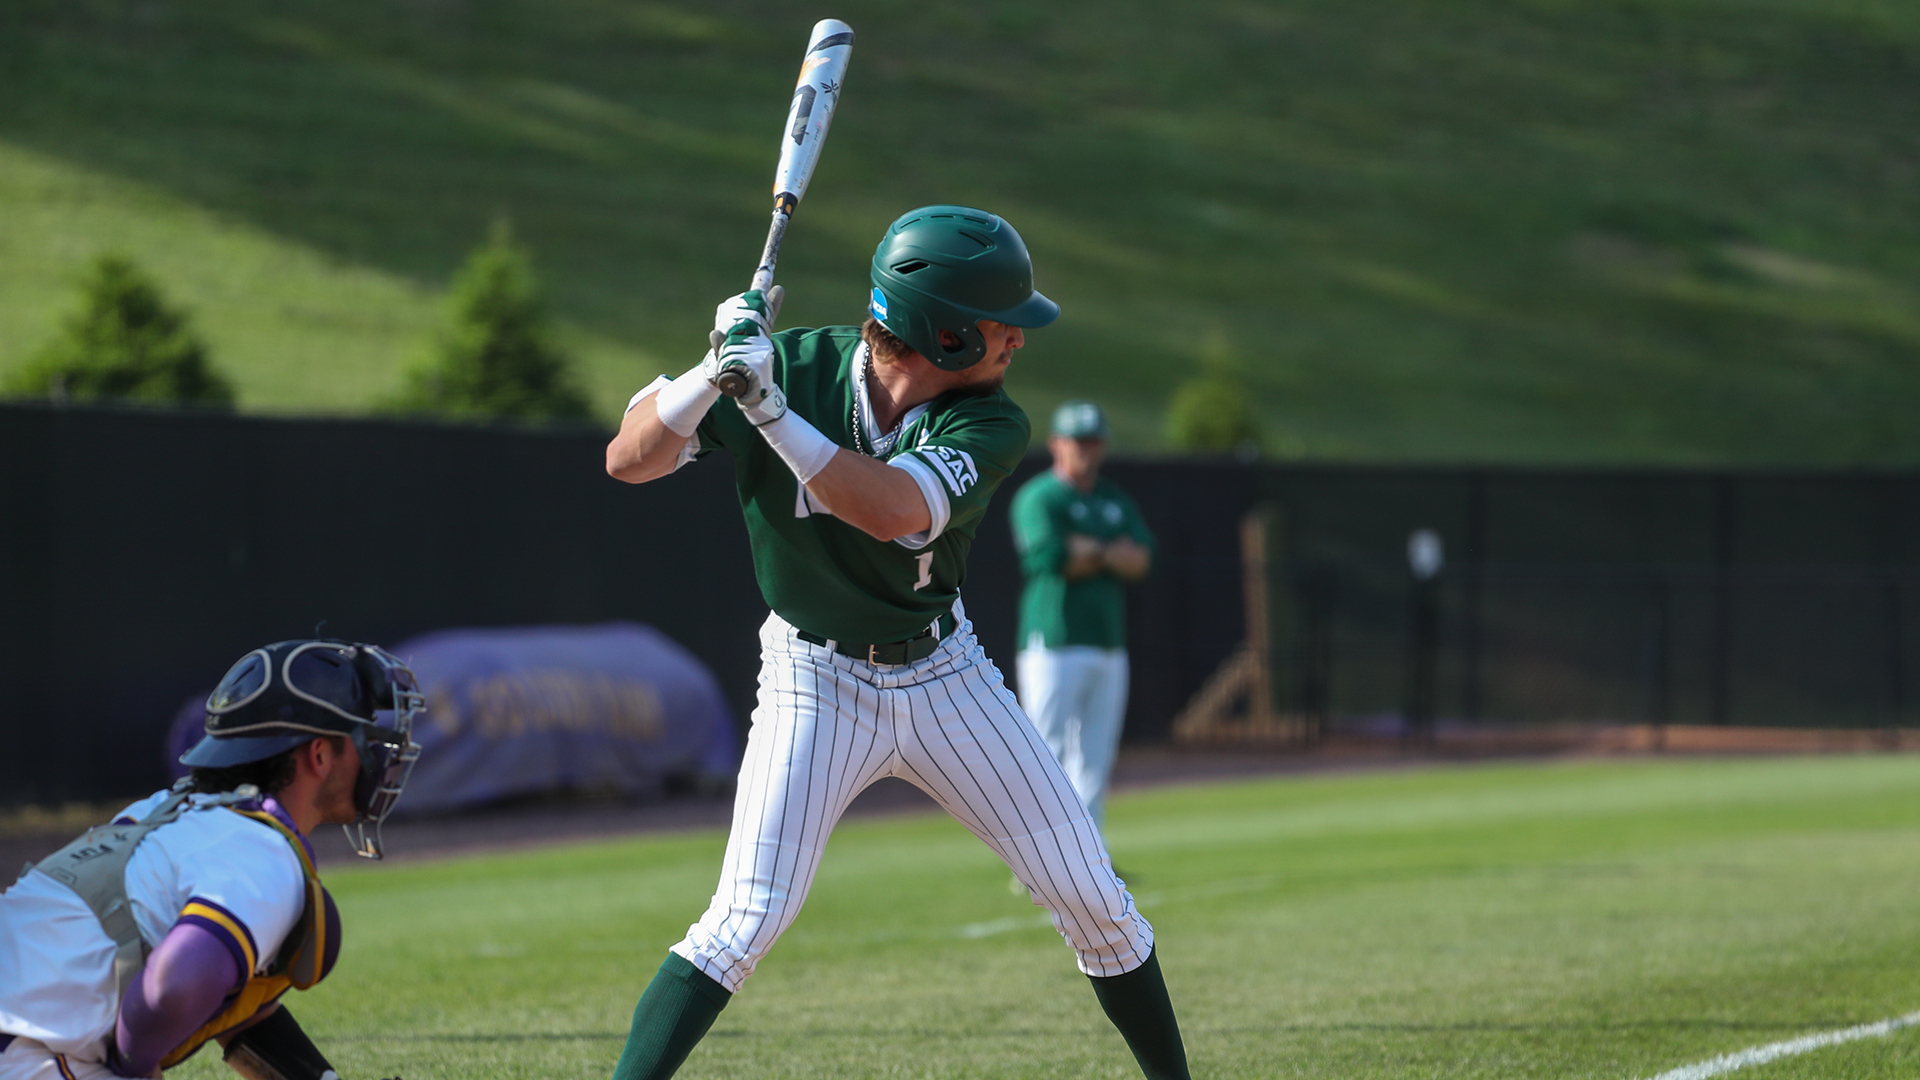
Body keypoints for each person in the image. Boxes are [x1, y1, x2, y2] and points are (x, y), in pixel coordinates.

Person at [604, 205, 1191, 1080]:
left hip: (943, 674)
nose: (1018, 341)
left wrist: (764, 412)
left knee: (1096, 900)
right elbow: (629, 458)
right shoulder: (793, 361)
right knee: (744, 920)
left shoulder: (991, 421)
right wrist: (706, 371)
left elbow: (889, 509)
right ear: (944, 333)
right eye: (1003, 325)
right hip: (812, 678)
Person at [0, 640, 423, 1080]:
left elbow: (235, 1006)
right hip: (28, 1053)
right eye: (364, 734)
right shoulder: (264, 852)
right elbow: (174, 986)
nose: (378, 750)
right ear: (319, 755)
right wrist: (135, 1067)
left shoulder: (161, 810)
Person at [1012, 400, 1154, 834]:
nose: (1086, 450)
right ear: (1057, 444)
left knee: (1096, 755)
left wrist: (1091, 550)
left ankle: (1090, 855)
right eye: (1078, 441)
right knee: (1046, 751)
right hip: (1054, 639)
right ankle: (1038, 857)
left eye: (1093, 441)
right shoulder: (1041, 496)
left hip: (1108, 641)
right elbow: (1051, 557)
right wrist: (1110, 551)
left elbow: (1142, 559)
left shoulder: (1114, 499)